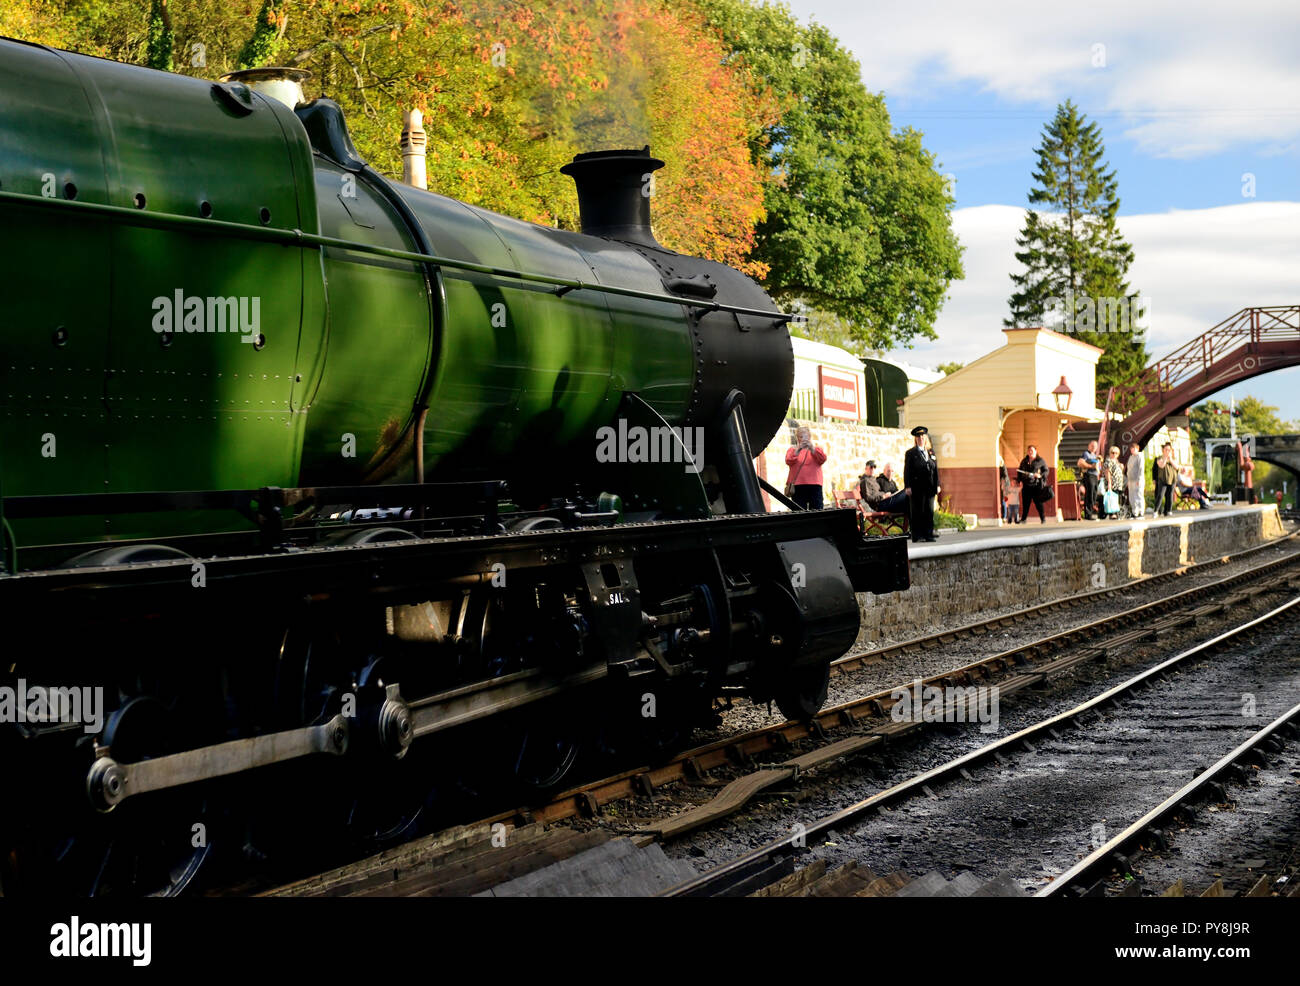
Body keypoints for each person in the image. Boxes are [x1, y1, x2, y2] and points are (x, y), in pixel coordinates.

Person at [904, 425, 940, 542]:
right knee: (917, 511)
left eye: (923, 436)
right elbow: (907, 470)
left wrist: (937, 484)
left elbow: (935, 469)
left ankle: (928, 534)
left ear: (926, 438)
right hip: (917, 486)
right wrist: (907, 486)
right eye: (918, 436)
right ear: (915, 439)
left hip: (929, 486)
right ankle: (918, 535)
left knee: (929, 511)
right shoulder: (911, 453)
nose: (921, 438)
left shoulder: (930, 452)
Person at [784, 426, 827, 510]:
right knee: (798, 511)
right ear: (797, 438)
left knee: (817, 510)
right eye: (801, 436)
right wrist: (798, 450)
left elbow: (823, 459)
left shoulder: (817, 449)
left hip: (815, 485)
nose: (803, 439)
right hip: (798, 485)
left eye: (806, 436)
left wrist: (812, 449)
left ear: (809, 437)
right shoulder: (792, 450)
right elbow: (788, 460)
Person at [1016, 445, 1050, 523]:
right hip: (1026, 485)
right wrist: (1020, 480)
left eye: (1032, 450)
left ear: (1035, 451)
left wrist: (1040, 475)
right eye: (1029, 450)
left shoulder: (1040, 460)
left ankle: (1043, 519)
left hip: (1036, 485)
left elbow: (1046, 471)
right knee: (1025, 503)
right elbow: (1019, 471)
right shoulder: (1024, 461)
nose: (1030, 452)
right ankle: (1023, 519)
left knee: (1038, 503)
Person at [1076, 439, 1101, 520]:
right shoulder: (1086, 454)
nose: (1094, 447)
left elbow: (1097, 467)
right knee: (1089, 494)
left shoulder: (1095, 455)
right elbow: (1080, 463)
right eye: (1092, 446)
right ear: (1089, 446)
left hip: (1095, 476)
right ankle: (1088, 514)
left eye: (1095, 446)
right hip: (1089, 475)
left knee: (1094, 494)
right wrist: (1091, 466)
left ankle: (1091, 511)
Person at [1153, 442, 1177, 516]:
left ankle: (1169, 510)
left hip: (1172, 479)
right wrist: (1165, 458)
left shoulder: (1173, 458)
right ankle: (1156, 511)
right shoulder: (1159, 458)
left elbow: (1177, 467)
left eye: (1169, 450)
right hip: (1163, 479)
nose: (1167, 451)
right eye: (1166, 449)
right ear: (1163, 450)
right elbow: (1161, 465)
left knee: (1170, 495)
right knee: (1160, 495)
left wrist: (1170, 459)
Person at [1101, 446, 1125, 518]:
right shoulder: (1109, 461)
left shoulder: (1117, 461)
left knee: (1116, 498)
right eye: (1113, 452)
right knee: (1112, 498)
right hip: (1112, 483)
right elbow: (1107, 472)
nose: (1114, 454)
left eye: (1116, 453)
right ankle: (1112, 513)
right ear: (1110, 453)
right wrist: (1109, 482)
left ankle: (1116, 512)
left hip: (1118, 484)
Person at [1125, 442, 1146, 518]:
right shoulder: (1131, 457)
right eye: (1131, 448)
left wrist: (1139, 480)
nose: (1132, 450)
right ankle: (1135, 512)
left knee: (1138, 495)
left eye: (1134, 448)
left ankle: (1141, 512)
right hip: (1131, 480)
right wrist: (1128, 480)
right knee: (1132, 497)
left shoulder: (1140, 456)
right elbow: (1128, 469)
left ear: (1137, 449)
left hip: (1138, 480)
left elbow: (1141, 469)